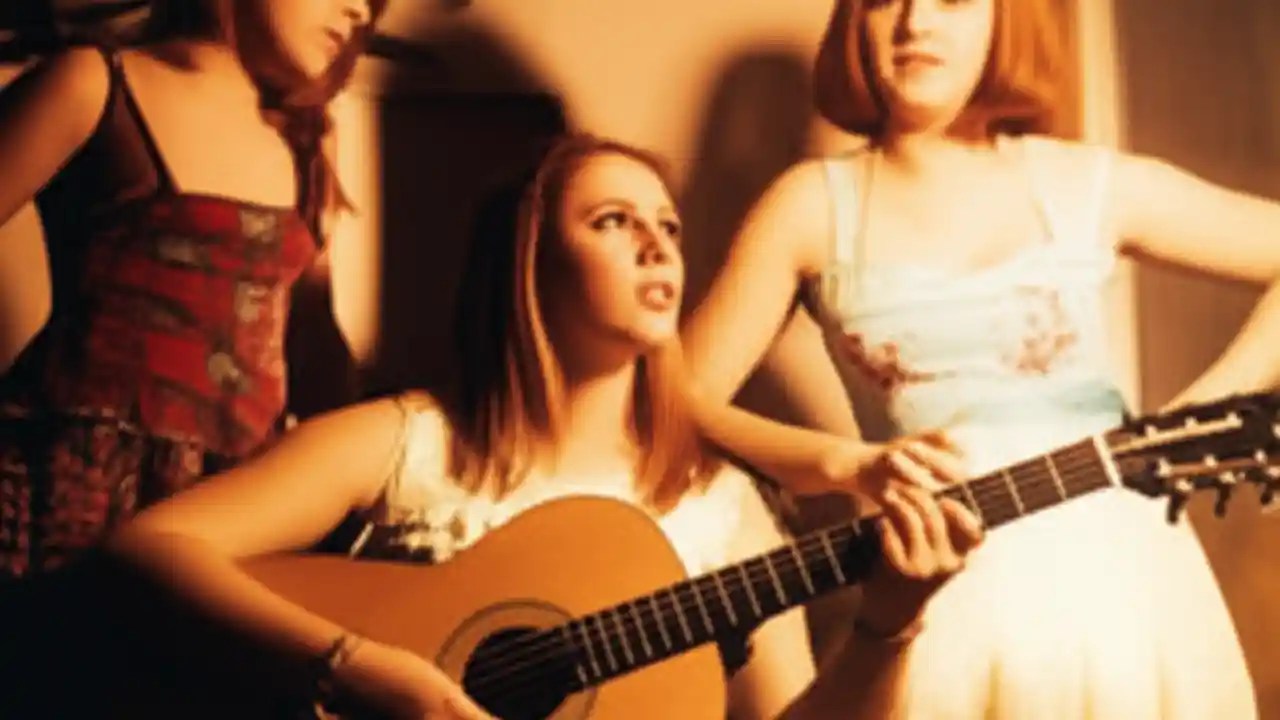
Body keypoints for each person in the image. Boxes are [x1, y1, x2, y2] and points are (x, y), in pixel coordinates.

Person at [106, 134, 983, 719]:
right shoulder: (406, 444)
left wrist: (889, 626)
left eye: (668, 227)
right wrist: (359, 665)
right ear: (530, 263)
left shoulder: (720, 506)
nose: (658, 245)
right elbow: (150, 547)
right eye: (614, 221)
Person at [681, 0, 1273, 716]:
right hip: (940, 584)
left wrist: (1190, 418)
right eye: (885, 0)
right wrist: (844, 464)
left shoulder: (1085, 184)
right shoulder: (809, 207)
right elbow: (678, 401)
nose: (915, 23)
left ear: (1004, 20)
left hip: (1122, 578)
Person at [0, 0, 384, 581]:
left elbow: (318, 360)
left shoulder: (305, 145)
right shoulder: (97, 83)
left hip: (228, 516)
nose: (358, 10)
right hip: (67, 498)